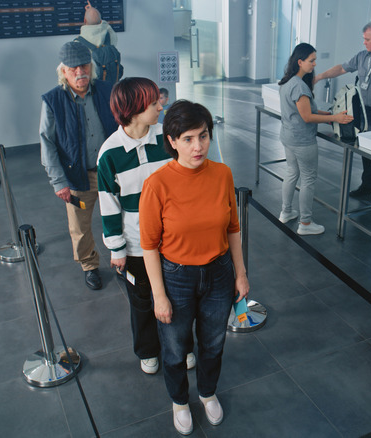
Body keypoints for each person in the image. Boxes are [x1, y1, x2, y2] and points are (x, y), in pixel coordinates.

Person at [140, 100, 249, 435]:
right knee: (174, 348)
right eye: (187, 138)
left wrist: (241, 273)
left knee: (213, 343)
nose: (198, 146)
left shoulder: (222, 174)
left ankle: (207, 392)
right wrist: (159, 295)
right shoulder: (157, 184)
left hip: (219, 274)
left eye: (203, 136)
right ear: (172, 141)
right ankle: (179, 401)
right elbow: (149, 246)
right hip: (177, 277)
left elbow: (232, 227)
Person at [97, 78, 195, 375]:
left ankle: (183, 346)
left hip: (173, 240)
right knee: (141, 300)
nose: (160, 106)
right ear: (134, 110)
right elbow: (108, 203)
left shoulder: (167, 139)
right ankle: (148, 350)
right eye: (154, 103)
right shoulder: (109, 153)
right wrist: (116, 248)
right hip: (136, 244)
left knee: (179, 298)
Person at [40, 41, 117, 290]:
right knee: (80, 225)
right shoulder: (53, 100)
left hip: (110, 174)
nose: (79, 72)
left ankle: (122, 260)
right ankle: (89, 265)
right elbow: (47, 142)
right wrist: (59, 181)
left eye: (83, 66)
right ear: (63, 71)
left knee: (120, 217)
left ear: (91, 67)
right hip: (77, 178)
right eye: (72, 68)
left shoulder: (108, 91)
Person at [314, 20, 371, 204]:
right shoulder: (363, 56)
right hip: (364, 112)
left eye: (367, 39)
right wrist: (319, 76)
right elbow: (342, 68)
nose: (364, 43)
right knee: (364, 149)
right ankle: (367, 186)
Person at [278, 43, 353, 235]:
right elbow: (307, 117)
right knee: (308, 179)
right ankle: (305, 223)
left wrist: (328, 115)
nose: (314, 64)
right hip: (302, 141)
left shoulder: (287, 82)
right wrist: (334, 118)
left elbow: (305, 111)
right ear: (300, 62)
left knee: (292, 173)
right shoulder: (300, 87)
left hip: (288, 137)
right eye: (311, 61)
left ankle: (286, 212)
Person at [76, 0, 123, 83]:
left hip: (95, 87)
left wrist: (90, 12)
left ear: (84, 20)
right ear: (101, 20)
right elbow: (106, 25)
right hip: (114, 85)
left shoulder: (77, 43)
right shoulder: (110, 35)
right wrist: (94, 12)